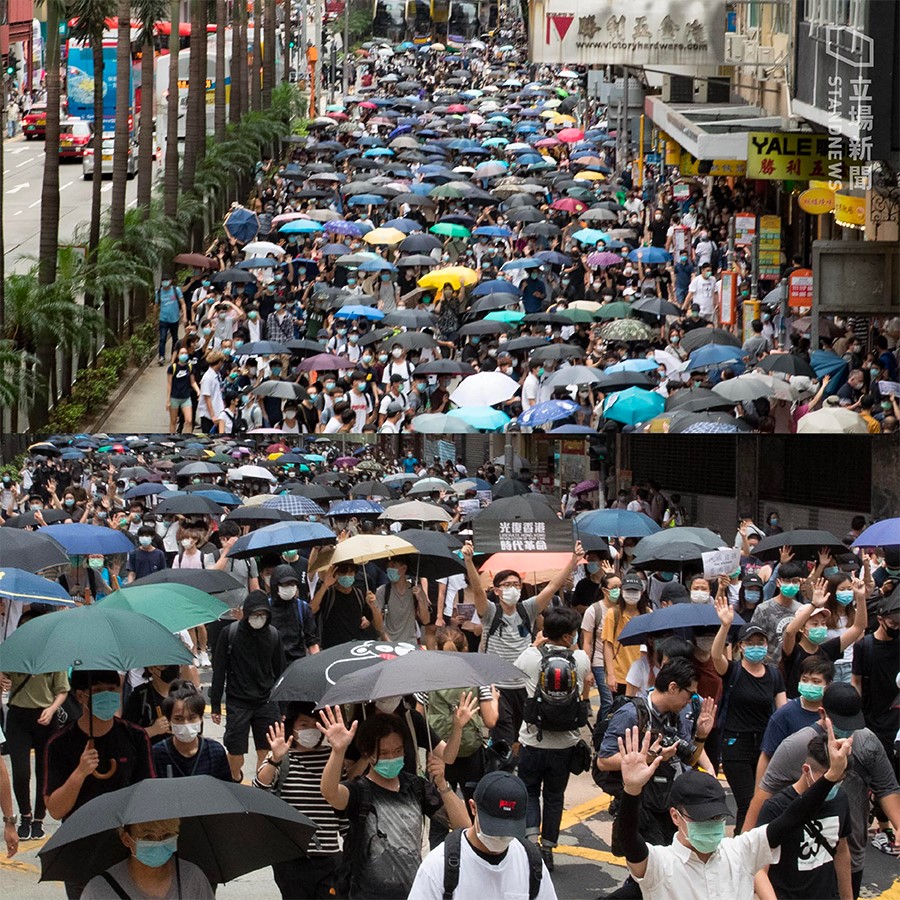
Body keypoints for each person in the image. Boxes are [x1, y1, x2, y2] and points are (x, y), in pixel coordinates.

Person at [612, 716, 851, 900]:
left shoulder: (741, 851)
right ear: (675, 816)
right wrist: (632, 791)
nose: (712, 826)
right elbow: (629, 840)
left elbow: (791, 818)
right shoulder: (659, 864)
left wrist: (830, 777)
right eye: (702, 819)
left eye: (717, 818)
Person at [743, 683, 900, 896]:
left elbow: (887, 786)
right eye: (840, 723)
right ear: (823, 713)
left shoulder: (867, 743)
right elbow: (762, 799)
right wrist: (744, 852)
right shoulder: (796, 746)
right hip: (795, 863)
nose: (846, 731)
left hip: (849, 853)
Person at [317, 706, 471, 900]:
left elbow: (463, 826)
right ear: (369, 753)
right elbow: (329, 792)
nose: (392, 757)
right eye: (385, 752)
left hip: (413, 892)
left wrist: (442, 784)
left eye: (397, 751)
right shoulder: (360, 790)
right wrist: (338, 752)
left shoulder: (416, 787)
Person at [44, 670, 155, 899]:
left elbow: (148, 797)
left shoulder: (135, 736)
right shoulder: (59, 744)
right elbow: (55, 809)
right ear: (81, 696)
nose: (108, 696)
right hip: (79, 852)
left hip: (126, 851)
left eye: (112, 690)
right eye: (98, 691)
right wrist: (80, 773)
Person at [463, 542, 581, 751]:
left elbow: (552, 587)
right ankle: (500, 772)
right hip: (497, 686)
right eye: (507, 585)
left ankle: (515, 772)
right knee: (502, 736)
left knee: (521, 736)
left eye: (517, 585)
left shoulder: (528, 609)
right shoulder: (490, 612)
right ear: (497, 590)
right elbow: (478, 592)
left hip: (524, 685)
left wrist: (573, 562)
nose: (513, 589)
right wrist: (469, 561)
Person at [515, 606, 590, 871]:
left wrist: (534, 646)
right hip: (565, 744)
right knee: (555, 796)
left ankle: (532, 844)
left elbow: (516, 679)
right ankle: (548, 848)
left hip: (533, 740)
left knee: (531, 792)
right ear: (569, 637)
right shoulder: (580, 659)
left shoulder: (529, 657)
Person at [408, 771, 557, 900]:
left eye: (509, 829)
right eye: (493, 827)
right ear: (473, 807)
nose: (501, 837)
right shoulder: (438, 866)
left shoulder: (530, 862)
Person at [710, 600, 786, 833]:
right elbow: (715, 656)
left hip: (764, 746)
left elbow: (781, 711)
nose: (756, 647)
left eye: (760, 642)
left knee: (763, 800)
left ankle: (757, 849)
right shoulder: (733, 670)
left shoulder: (773, 675)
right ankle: (742, 851)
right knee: (746, 802)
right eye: (750, 643)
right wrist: (725, 626)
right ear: (741, 647)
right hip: (736, 744)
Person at [254, 704, 346, 899]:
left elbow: (342, 807)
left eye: (315, 724)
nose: (310, 730)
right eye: (304, 724)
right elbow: (260, 788)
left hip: (329, 856)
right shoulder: (282, 757)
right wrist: (274, 759)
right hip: (292, 858)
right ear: (292, 727)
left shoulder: (332, 757)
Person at [755, 734, 853, 900]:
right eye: (828, 779)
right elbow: (759, 869)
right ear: (806, 770)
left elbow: (841, 850)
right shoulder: (776, 808)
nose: (832, 787)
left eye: (838, 781)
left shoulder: (840, 799)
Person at [209, 591, 286, 781]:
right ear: (246, 613)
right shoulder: (230, 634)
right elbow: (219, 670)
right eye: (254, 614)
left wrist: (283, 707)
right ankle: (235, 778)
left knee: (266, 752)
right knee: (235, 754)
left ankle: (261, 786)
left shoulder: (273, 636)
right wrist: (216, 704)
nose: (258, 619)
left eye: (262, 615)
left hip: (266, 701)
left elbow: (281, 673)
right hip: (238, 701)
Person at [3, 663, 69, 840]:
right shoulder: (18, 655)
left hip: (46, 718)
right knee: (21, 771)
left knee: (44, 771)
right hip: (18, 718)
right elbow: (4, 676)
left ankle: (39, 819)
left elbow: (62, 690)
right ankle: (25, 815)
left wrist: (52, 709)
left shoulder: (53, 659)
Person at [80, 818, 214, 900]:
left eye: (167, 835)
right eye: (148, 837)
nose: (159, 843)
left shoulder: (192, 878)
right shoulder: (99, 890)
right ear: (126, 839)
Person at [780, 576, 866, 698]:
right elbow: (789, 633)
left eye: (823, 623)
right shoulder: (793, 651)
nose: (820, 627)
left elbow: (858, 627)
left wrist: (861, 598)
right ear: (802, 628)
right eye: (814, 624)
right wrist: (814, 605)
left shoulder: (827, 650)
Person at [151, 680, 231, 781]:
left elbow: (224, 788)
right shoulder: (157, 754)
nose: (186, 724)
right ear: (169, 720)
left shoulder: (215, 751)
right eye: (178, 719)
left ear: (201, 718)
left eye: (192, 717)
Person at [267, 564, 320, 663]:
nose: (290, 588)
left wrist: (317, 663)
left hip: (297, 663)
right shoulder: (266, 608)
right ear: (275, 586)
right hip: (272, 665)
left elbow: (312, 642)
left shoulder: (303, 608)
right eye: (285, 584)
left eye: (293, 584)